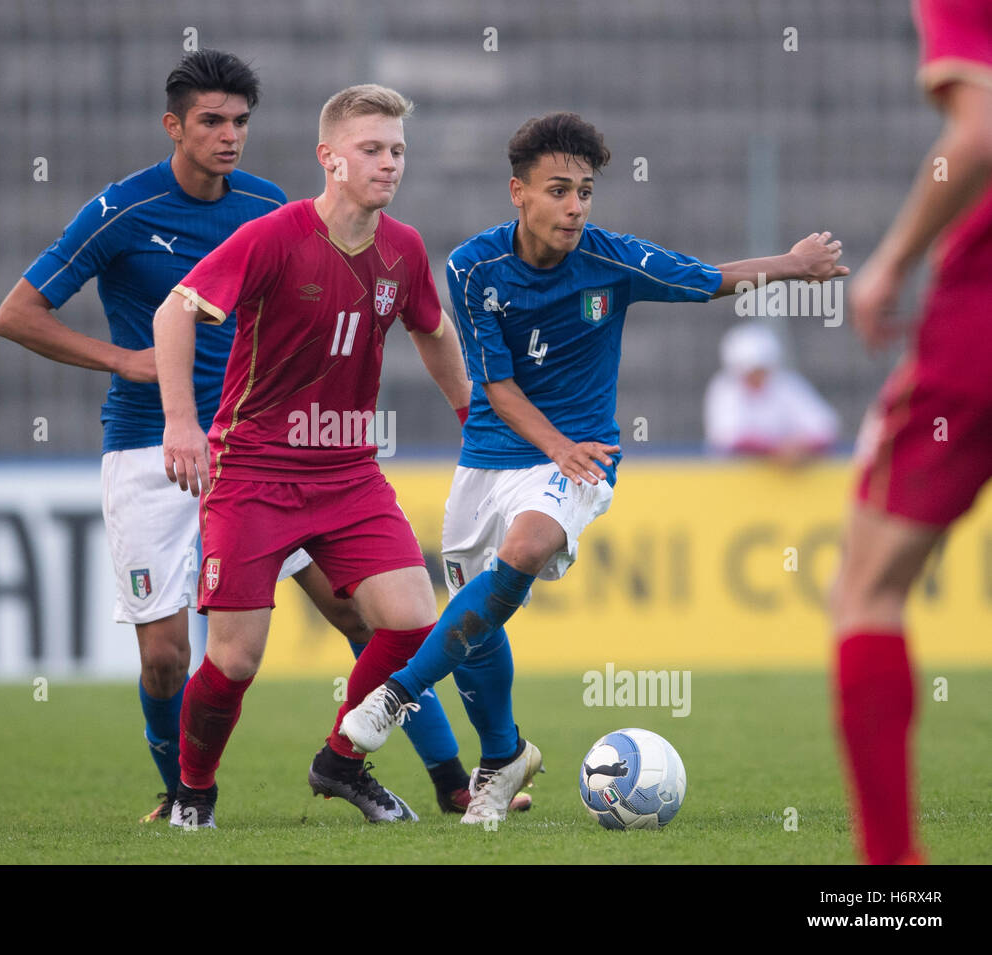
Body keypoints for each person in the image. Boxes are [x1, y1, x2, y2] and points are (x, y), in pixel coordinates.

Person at [0, 56, 480, 826]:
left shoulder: (272, 208)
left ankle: (439, 777)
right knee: (176, 657)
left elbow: (392, 312)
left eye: (241, 121)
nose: (230, 136)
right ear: (175, 126)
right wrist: (133, 370)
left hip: (304, 455)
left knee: (381, 620)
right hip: (159, 446)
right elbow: (18, 313)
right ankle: (183, 790)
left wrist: (461, 411)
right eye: (213, 121)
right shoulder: (124, 210)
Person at [343, 111, 848, 824]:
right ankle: (502, 757)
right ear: (518, 193)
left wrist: (794, 265)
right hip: (491, 460)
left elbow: (707, 280)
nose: (576, 206)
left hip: (580, 459)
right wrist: (551, 444)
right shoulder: (472, 267)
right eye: (559, 190)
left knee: (521, 551)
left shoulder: (611, 259)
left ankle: (395, 693)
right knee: (479, 617)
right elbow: (498, 387)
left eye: (585, 191)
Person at [154, 84, 476, 829]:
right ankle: (193, 792)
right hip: (254, 472)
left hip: (348, 471)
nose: (388, 163)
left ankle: (340, 759)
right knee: (235, 660)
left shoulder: (405, 247)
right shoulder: (276, 236)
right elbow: (177, 309)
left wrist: (471, 413)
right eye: (371, 149)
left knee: (409, 620)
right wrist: (181, 423)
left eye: (397, 150)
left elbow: (432, 328)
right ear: (329, 158)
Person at [831, 0, 992, 865]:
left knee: (868, 590)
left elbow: (978, 135)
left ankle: (893, 882)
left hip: (980, 325)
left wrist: (892, 260)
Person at [704, 321, 838, 465]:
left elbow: (825, 427)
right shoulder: (724, 389)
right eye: (750, 371)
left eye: (761, 370)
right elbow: (728, 437)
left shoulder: (786, 385)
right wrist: (776, 450)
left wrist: (799, 446)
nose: (757, 377)